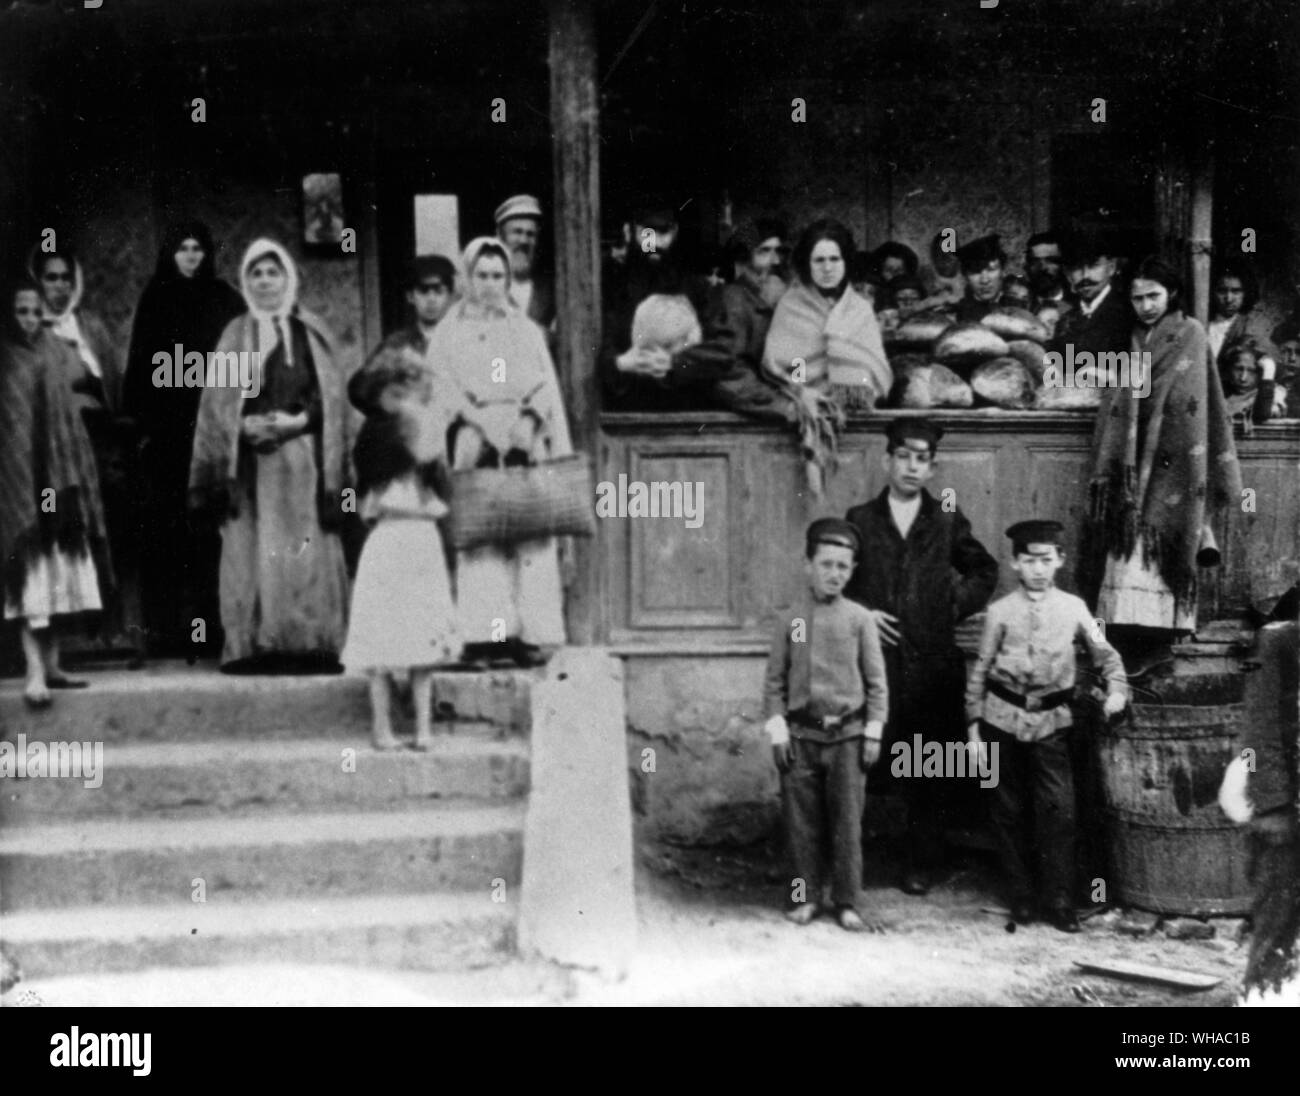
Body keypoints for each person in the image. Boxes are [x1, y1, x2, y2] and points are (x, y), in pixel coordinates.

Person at [843, 419, 999, 895]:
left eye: (922, 459)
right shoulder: (862, 519)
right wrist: (866, 615)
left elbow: (984, 570)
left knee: (927, 764)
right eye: (904, 456)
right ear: (887, 459)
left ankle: (921, 863)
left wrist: (950, 606)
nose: (912, 466)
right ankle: (855, 861)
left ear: (933, 468)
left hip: (932, 663)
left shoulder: (946, 517)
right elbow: (842, 584)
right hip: (878, 663)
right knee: (870, 758)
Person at [188, 238, 352, 673]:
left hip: (300, 460)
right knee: (250, 552)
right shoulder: (235, 335)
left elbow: (332, 398)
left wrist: (296, 423)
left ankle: (308, 645)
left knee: (303, 551)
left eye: (272, 272)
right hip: (248, 465)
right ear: (246, 281)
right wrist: (241, 427)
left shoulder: (310, 332)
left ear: (288, 278)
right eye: (256, 274)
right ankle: (255, 646)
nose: (264, 282)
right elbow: (218, 403)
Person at [966, 520, 1128, 932]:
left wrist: (1117, 692)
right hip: (1001, 720)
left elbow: (1106, 656)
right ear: (1015, 563)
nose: (1038, 568)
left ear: (1060, 560)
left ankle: (1057, 898)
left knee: (1059, 811)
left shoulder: (1073, 608)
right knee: (1008, 811)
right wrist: (973, 730)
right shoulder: (999, 612)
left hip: (1053, 723)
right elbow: (980, 671)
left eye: (1046, 559)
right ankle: (1020, 895)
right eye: (1029, 560)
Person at [1084, 256, 1242, 673]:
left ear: (1171, 293)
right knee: (1128, 554)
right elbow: (1126, 388)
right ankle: (1131, 649)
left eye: (1153, 295)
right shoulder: (1134, 336)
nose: (1145, 305)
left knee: (1161, 551)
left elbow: (1192, 399)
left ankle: (1160, 648)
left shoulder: (1190, 333)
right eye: (1137, 298)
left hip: (1175, 460)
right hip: (1133, 464)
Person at [427, 237, 572, 666]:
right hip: (476, 439)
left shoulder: (525, 329)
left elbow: (546, 385)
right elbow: (440, 386)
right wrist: (474, 417)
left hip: (524, 440)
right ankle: (487, 636)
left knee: (528, 536)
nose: (491, 284)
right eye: (482, 275)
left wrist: (529, 420)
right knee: (483, 538)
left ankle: (528, 634)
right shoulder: (450, 332)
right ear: (467, 278)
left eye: (498, 275)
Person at [121, 221, 245, 657]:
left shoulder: (225, 300)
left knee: (211, 533)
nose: (191, 256)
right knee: (168, 533)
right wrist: (142, 426)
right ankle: (169, 634)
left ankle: (213, 631)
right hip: (170, 438)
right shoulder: (156, 299)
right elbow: (141, 367)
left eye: (197, 248)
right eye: (182, 248)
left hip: (212, 435)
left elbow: (240, 366)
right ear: (170, 254)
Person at [762, 518, 889, 933]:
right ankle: (805, 898)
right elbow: (775, 683)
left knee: (847, 822)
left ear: (852, 571)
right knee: (801, 824)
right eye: (826, 564)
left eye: (843, 567)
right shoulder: (790, 620)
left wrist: (872, 732)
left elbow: (876, 684)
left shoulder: (859, 620)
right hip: (800, 738)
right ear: (808, 565)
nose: (834, 574)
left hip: (848, 737)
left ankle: (847, 900)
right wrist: (778, 731)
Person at [1, 280, 110, 707]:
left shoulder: (57, 350)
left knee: (60, 569)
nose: (28, 318)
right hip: (19, 481)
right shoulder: (5, 356)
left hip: (56, 478)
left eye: (34, 310)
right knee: (31, 579)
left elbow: (85, 389)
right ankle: (33, 673)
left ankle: (54, 665)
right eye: (20, 311)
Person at [342, 348, 458, 751]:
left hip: (422, 541)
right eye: (395, 391)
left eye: (411, 389)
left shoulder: (426, 433)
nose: (405, 398)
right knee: (381, 639)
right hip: (390, 539)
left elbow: (439, 485)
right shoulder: (375, 436)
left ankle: (423, 727)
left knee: (422, 639)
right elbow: (368, 498)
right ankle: (381, 726)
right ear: (382, 394)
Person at [29, 244, 140, 658]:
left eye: (65, 279)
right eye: (50, 278)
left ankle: (114, 632)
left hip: (100, 445)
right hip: (54, 450)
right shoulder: (32, 333)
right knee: (63, 535)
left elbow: (112, 381)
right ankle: (66, 640)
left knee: (109, 532)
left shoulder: (89, 326)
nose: (58, 287)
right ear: (38, 284)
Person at [763, 218, 891, 495]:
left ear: (846, 262)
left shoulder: (860, 310)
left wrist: (855, 384)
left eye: (835, 258)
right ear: (807, 264)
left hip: (856, 425)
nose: (827, 268)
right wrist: (803, 391)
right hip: (804, 418)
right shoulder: (791, 306)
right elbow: (785, 362)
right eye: (818, 260)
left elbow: (874, 369)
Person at [600, 204, 720, 411]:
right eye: (647, 232)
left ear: (675, 232)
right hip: (627, 411)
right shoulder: (614, 287)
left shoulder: (696, 288)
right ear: (632, 232)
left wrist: (676, 364)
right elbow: (598, 345)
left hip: (685, 410)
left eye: (663, 232)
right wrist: (620, 363)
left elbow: (720, 350)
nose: (654, 242)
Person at [348, 255, 456, 413]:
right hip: (412, 430)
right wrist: (392, 409)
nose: (431, 299)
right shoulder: (397, 344)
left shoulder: (464, 341)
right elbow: (358, 390)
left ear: (450, 297)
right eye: (423, 291)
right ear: (410, 296)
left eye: (439, 292)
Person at [1208, 263, 1285, 419]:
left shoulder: (1251, 328)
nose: (1228, 298)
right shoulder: (1200, 326)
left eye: (1236, 291)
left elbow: (1275, 367)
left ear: (1245, 293)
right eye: (1222, 291)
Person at [1051, 227, 1131, 360]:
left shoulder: (1128, 315)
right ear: (1068, 274)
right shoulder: (1064, 321)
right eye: (1076, 268)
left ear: (1111, 267)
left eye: (1093, 265)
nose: (1085, 276)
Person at [494, 194, 555, 331]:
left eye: (530, 234)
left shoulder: (551, 291)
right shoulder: (486, 285)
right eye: (517, 232)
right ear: (500, 236)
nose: (523, 241)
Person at [953, 234, 1007, 322]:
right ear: (966, 277)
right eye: (976, 272)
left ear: (1003, 271)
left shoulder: (1020, 300)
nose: (984, 280)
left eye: (991, 269)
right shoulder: (962, 313)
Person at [1220, 343, 1276, 427]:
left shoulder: (1269, 395)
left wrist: (1269, 371)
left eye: (1251, 371)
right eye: (1239, 369)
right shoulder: (1219, 393)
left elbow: (1262, 414)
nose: (1243, 378)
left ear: (1260, 373)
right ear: (1229, 370)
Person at [919, 230, 965, 310]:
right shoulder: (926, 278)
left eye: (950, 253)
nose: (946, 260)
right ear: (933, 256)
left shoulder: (967, 278)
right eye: (940, 254)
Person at [1024, 231, 1070, 307]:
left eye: (1050, 260)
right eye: (1035, 261)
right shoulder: (1019, 303)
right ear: (1027, 265)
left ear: (1062, 264)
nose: (1043, 267)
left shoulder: (1078, 303)